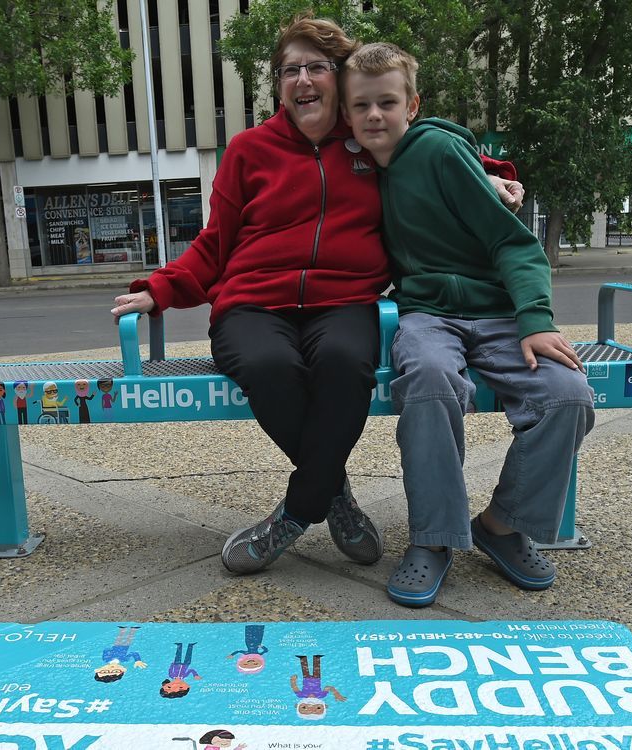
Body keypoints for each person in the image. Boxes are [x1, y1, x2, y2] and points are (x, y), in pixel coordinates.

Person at [112, 13, 522, 576]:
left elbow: (435, 150)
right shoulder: (248, 150)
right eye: (289, 70)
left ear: (340, 79)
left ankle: (294, 511)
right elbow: (215, 241)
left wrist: (491, 174)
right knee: (267, 364)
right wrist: (162, 288)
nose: (302, 80)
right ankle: (331, 496)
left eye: (317, 67)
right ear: (278, 84)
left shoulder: (365, 139)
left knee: (343, 361)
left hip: (342, 300)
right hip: (254, 302)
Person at [340, 42, 595, 608]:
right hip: (428, 316)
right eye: (361, 106)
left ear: (412, 105)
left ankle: (502, 524)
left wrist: (534, 318)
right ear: (347, 114)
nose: (374, 115)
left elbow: (514, 243)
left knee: (568, 394)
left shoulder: (436, 152)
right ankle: (433, 539)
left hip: (499, 313)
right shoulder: (351, 164)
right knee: (428, 380)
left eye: (387, 102)